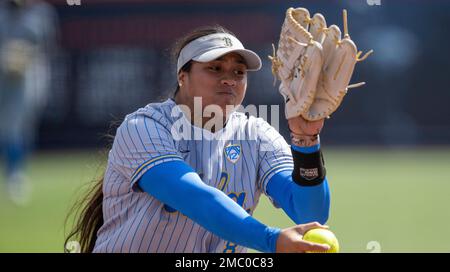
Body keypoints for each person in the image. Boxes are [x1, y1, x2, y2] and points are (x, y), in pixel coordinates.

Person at [66, 25, 331, 253]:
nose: (229, 79)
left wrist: (306, 138)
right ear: (182, 76)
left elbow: (310, 214)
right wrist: (271, 240)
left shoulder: (257, 135)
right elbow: (193, 197)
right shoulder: (144, 127)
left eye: (239, 72)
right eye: (215, 68)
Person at [0, 0, 58, 205]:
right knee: (8, 127)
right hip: (3, 78)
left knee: (21, 127)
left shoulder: (41, 13)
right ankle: (14, 174)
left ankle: (16, 173)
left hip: (30, 78)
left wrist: (24, 56)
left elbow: (49, 46)